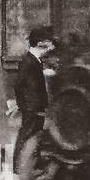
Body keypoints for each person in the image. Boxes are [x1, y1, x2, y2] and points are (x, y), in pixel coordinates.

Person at [11, 26, 57, 159]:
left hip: (36, 106)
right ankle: (18, 165)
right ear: (40, 43)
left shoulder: (35, 61)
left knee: (34, 135)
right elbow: (19, 85)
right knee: (26, 134)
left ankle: (30, 162)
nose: (51, 45)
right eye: (48, 41)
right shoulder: (28, 61)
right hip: (32, 107)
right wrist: (24, 104)